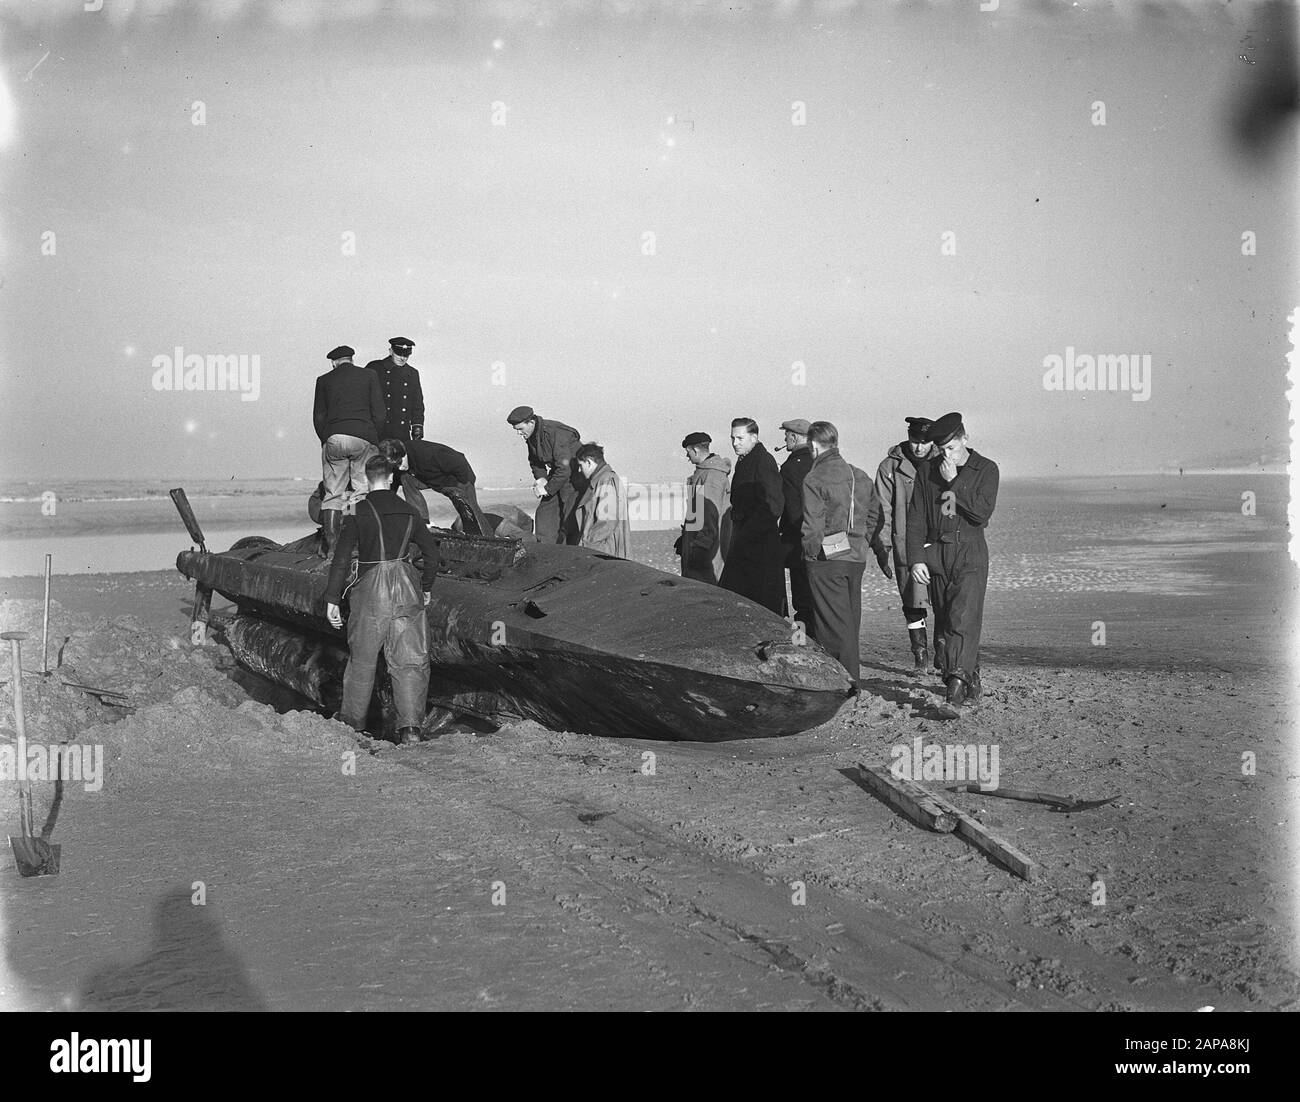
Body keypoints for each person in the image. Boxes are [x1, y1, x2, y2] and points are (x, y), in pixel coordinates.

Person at [324, 454, 441, 745]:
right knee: (410, 659)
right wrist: (425, 588)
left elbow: (340, 560)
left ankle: (353, 726)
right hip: (407, 589)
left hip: (370, 592)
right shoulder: (410, 511)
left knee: (362, 659)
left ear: (365, 479)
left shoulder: (356, 511)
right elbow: (432, 554)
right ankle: (411, 730)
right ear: (391, 479)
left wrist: (332, 599)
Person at [905, 412, 999, 707]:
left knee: (962, 617)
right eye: (942, 450)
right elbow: (916, 519)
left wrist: (954, 482)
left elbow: (981, 513)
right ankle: (971, 678)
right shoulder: (926, 471)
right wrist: (917, 559)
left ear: (964, 439)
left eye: (952, 449)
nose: (947, 456)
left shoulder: (986, 469)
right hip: (937, 555)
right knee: (947, 622)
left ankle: (954, 692)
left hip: (970, 552)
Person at [800, 421, 888, 689]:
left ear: (814, 446)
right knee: (849, 621)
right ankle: (851, 680)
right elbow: (876, 515)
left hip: (827, 561)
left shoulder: (814, 478)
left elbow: (812, 527)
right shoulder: (859, 475)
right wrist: (862, 541)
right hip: (855, 557)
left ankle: (845, 684)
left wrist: (809, 555)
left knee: (831, 625)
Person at [875, 416, 937, 671]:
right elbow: (882, 510)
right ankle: (920, 655)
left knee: (942, 601)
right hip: (905, 545)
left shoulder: (943, 462)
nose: (919, 447)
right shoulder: (890, 466)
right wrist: (882, 548)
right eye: (915, 441)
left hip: (937, 544)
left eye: (924, 442)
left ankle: (943, 653)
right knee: (912, 602)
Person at [313, 345, 386, 559]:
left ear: (334, 362)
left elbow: (318, 417)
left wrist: (326, 439)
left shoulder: (323, 380)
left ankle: (334, 548)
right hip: (363, 437)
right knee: (360, 493)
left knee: (333, 494)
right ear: (352, 359)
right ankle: (356, 545)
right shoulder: (369, 375)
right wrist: (373, 436)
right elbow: (380, 413)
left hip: (334, 437)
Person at [718, 418, 785, 613]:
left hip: (759, 545)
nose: (734, 443)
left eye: (740, 438)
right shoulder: (746, 460)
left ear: (754, 437)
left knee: (759, 600)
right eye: (732, 438)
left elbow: (774, 504)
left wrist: (748, 534)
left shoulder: (762, 460)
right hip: (746, 540)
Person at [506, 406, 585, 544]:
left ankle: (569, 552)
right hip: (558, 475)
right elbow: (535, 462)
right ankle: (546, 549)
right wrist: (541, 479)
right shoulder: (532, 436)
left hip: (575, 477)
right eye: (516, 430)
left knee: (569, 518)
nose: (519, 433)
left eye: (520, 429)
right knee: (544, 513)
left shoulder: (556, 433)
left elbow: (565, 469)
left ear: (531, 423)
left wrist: (547, 489)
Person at [377, 438, 489, 534]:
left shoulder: (427, 453)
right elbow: (392, 488)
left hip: (456, 480)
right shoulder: (397, 465)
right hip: (431, 479)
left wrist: (459, 486)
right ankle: (422, 522)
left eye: (400, 463)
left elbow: (460, 460)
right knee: (405, 478)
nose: (400, 468)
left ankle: (486, 538)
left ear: (403, 454)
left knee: (471, 510)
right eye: (395, 466)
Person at [776, 418, 816, 636]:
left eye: (787, 434)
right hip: (824, 542)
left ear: (794, 437)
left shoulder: (791, 468)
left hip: (799, 542)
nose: (784, 438)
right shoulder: (820, 463)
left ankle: (802, 644)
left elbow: (791, 511)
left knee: (801, 601)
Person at [675, 432, 730, 584]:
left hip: (706, 552)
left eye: (688, 453)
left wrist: (700, 547)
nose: (687, 457)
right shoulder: (703, 474)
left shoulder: (711, 476)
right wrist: (685, 539)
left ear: (695, 450)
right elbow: (696, 513)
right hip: (698, 546)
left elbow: (709, 517)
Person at [574, 443, 631, 557]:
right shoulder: (602, 480)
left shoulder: (606, 480)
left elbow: (607, 521)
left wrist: (588, 544)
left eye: (580, 465)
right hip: (603, 548)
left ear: (589, 462)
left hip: (604, 550)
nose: (579, 470)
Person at [364, 337, 425, 442]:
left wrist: (417, 428)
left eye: (406, 355)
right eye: (399, 354)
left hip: (401, 431)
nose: (402, 358)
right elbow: (363, 396)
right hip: (378, 430)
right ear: (391, 351)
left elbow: (417, 404)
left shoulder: (412, 373)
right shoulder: (375, 368)